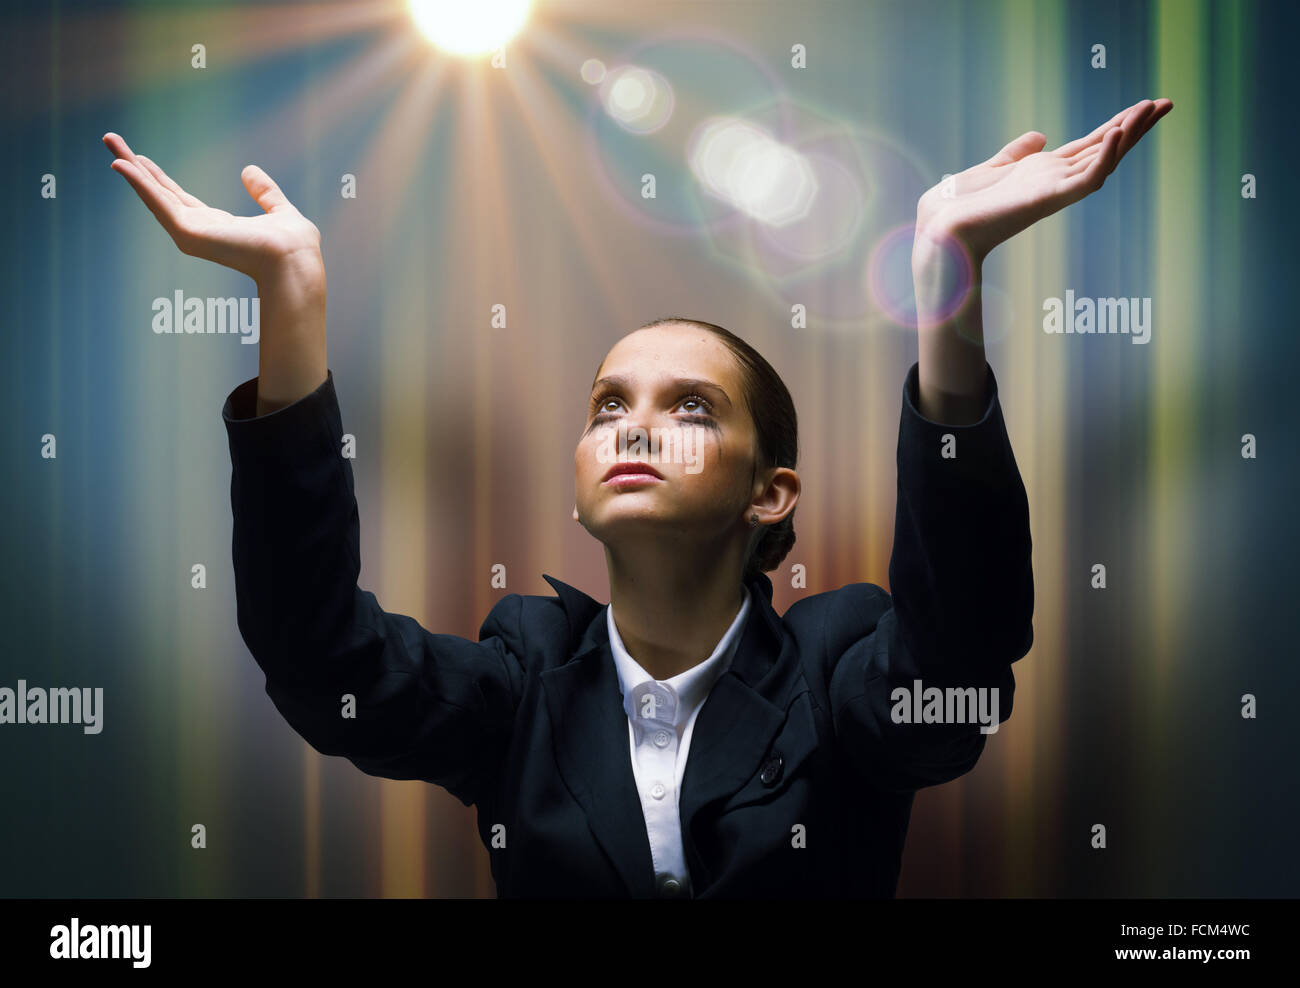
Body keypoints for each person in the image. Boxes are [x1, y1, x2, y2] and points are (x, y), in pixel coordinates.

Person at [101, 97, 1171, 897]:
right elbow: (320, 659)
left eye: (693, 407)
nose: (634, 425)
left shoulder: (839, 664)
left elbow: (960, 670)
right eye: (608, 402)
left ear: (772, 493)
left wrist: (947, 272)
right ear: (579, 481)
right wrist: (291, 298)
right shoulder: (522, 675)